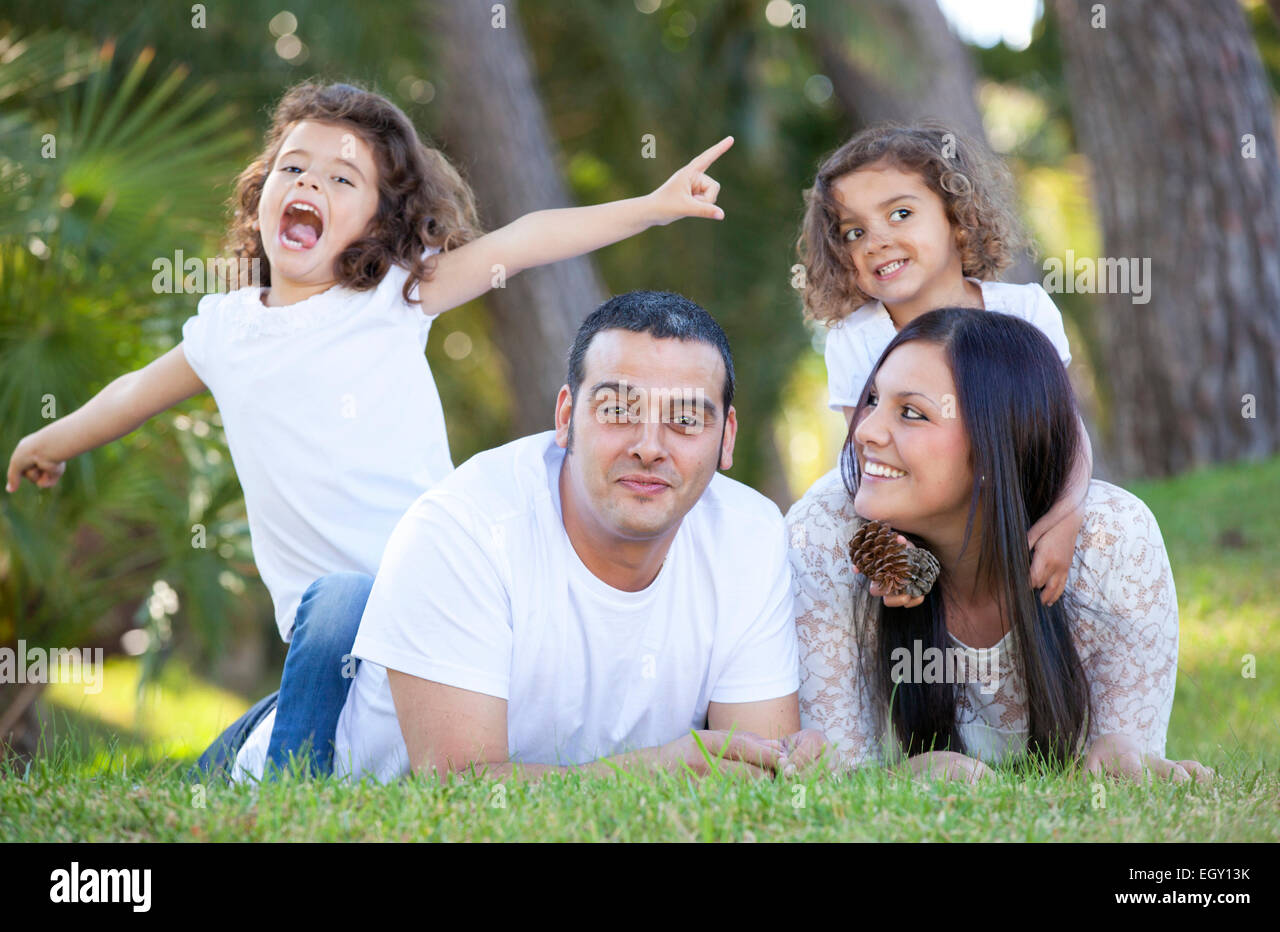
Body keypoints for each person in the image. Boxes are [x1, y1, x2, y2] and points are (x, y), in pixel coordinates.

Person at [5, 82, 736, 776]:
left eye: (342, 179)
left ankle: (284, 783)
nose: (310, 185)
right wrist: (52, 440)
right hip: (329, 626)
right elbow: (137, 392)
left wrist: (651, 205)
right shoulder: (226, 331)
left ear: (381, 219)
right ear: (261, 190)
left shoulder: (393, 297)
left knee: (356, 608)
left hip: (434, 597)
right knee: (337, 613)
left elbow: (528, 238)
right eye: (293, 167)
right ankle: (256, 768)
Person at [200, 291, 832, 782]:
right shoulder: (466, 526)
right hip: (294, 761)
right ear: (566, 418)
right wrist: (663, 767)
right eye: (617, 409)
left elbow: (751, 767)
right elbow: (460, 791)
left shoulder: (749, 535)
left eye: (686, 419)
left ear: (726, 440)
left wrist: (777, 761)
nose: (648, 446)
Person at [785, 307, 1213, 784]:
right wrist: (913, 773)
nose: (864, 431)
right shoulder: (826, 533)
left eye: (911, 412)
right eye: (871, 399)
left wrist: (1121, 754)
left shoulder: (1112, 541)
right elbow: (832, 775)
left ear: (996, 443)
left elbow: (1122, 771)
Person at [796, 122, 1088, 608]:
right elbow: (864, 456)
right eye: (854, 232)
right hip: (900, 503)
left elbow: (1067, 432)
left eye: (901, 214)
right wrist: (889, 553)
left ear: (958, 218)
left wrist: (1067, 513)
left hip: (1014, 492)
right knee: (817, 527)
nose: (876, 241)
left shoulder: (1025, 310)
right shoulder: (855, 338)